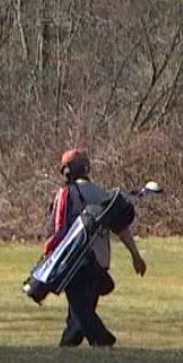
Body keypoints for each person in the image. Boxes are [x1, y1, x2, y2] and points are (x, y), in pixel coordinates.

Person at [44, 149, 146, 348]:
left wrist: (48, 257)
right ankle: (68, 345)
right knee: (79, 310)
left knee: (81, 310)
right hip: (100, 262)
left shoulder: (65, 194)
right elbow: (121, 228)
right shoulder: (101, 194)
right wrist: (135, 255)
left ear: (67, 171)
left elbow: (58, 230)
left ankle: (102, 341)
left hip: (73, 262)